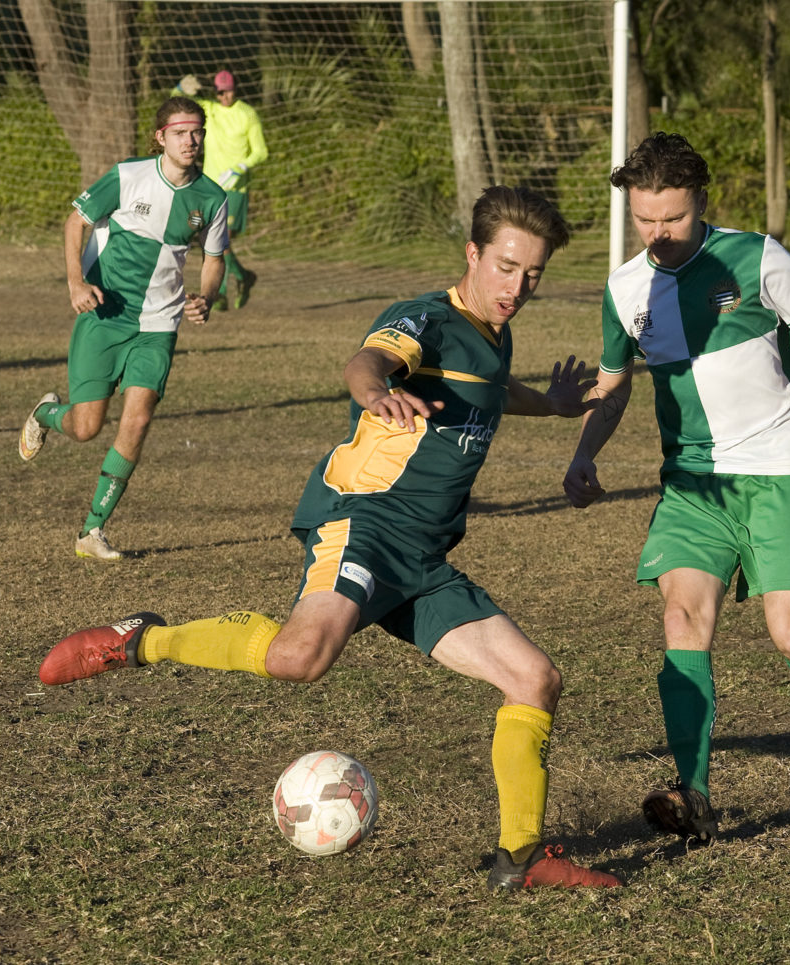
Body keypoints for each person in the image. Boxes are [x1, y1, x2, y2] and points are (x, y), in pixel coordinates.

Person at [37, 186, 623, 892]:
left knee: (534, 678)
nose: (517, 287)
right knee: (300, 657)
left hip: (423, 557)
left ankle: (521, 858)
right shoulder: (427, 318)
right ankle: (141, 640)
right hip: (367, 522)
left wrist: (550, 403)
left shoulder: (494, 334)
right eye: (505, 267)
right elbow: (367, 361)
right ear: (473, 254)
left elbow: (489, 387)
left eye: (532, 273)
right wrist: (377, 392)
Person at [563, 132, 790, 843]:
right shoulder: (624, 289)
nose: (658, 233)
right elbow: (613, 384)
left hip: (780, 469)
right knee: (682, 618)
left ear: (701, 201)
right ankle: (692, 793)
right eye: (644, 219)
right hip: (692, 483)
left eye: (673, 217)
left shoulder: (755, 257)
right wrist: (584, 453)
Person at [18, 96, 228, 561]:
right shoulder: (129, 175)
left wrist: (207, 297)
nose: (190, 141)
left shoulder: (212, 197)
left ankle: (92, 531)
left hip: (159, 323)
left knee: (138, 420)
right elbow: (75, 222)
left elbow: (215, 259)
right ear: (160, 137)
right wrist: (76, 282)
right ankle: (47, 414)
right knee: (86, 428)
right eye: (180, 133)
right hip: (105, 314)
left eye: (197, 132)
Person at [176, 70, 267, 310]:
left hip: (235, 188)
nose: (224, 96)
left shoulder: (247, 114)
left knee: (222, 239)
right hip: (210, 187)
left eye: (228, 91)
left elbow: (261, 151)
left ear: (235, 89)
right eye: (220, 92)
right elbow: (176, 105)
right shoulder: (209, 110)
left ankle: (223, 291)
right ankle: (238, 281)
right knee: (212, 240)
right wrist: (181, 87)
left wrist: (240, 168)